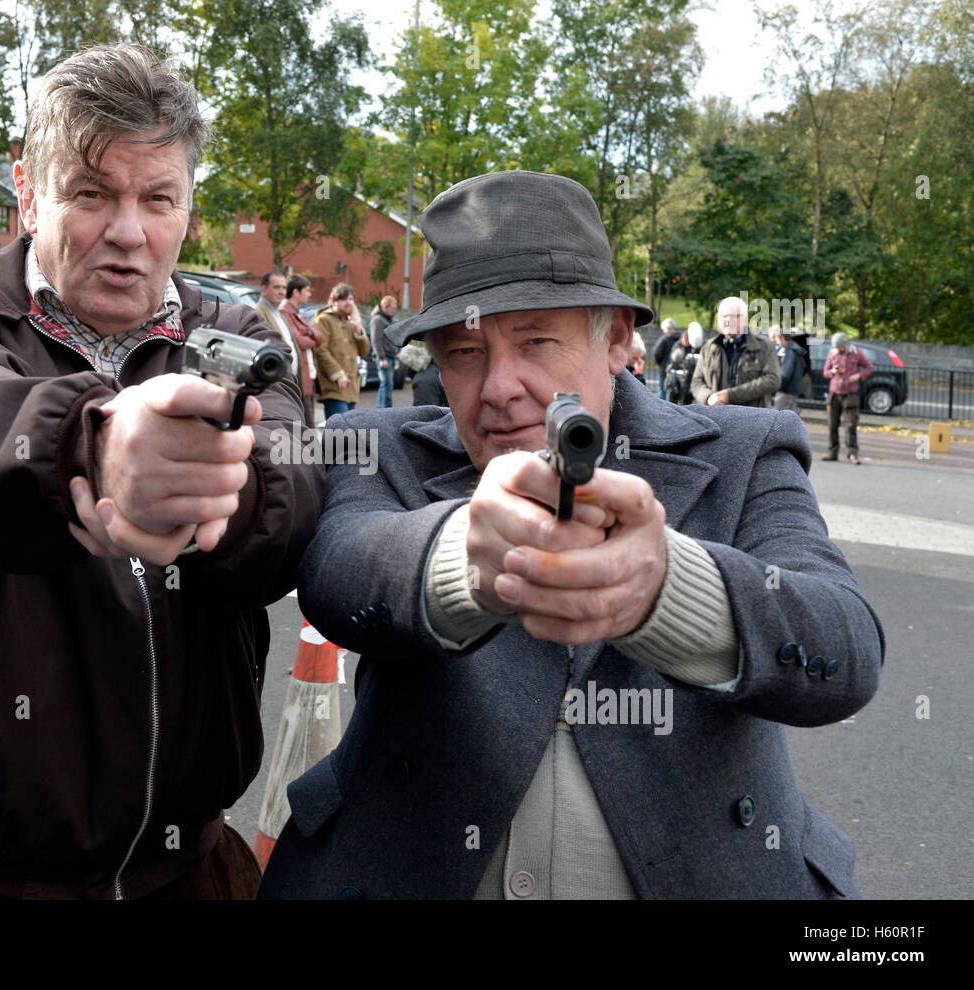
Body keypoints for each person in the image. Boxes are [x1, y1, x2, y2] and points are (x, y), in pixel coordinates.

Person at [258, 170, 883, 900]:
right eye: (465, 352)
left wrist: (667, 587)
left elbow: (842, 649)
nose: (497, 386)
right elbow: (340, 578)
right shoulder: (378, 443)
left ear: (617, 339)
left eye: (537, 341)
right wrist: (464, 561)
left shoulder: (745, 449)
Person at [0, 43, 323, 900]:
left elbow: (293, 491)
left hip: (188, 872)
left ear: (187, 208)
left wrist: (213, 493)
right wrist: (95, 449)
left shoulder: (244, 336)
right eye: (92, 193)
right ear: (27, 190)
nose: (128, 232)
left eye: (158, 198)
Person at [690, 296, 780, 407]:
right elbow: (696, 382)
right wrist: (709, 397)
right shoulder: (708, 347)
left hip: (752, 419)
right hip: (715, 418)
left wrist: (731, 396)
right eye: (723, 316)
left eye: (734, 316)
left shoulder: (764, 346)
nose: (728, 321)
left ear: (745, 319)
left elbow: (772, 380)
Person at [312, 283, 370, 419]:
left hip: (352, 389)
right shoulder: (323, 320)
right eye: (344, 299)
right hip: (333, 387)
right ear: (333, 302)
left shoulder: (352, 322)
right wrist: (338, 374)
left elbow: (364, 352)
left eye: (351, 299)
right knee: (339, 433)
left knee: (346, 434)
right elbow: (320, 350)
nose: (348, 303)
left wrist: (358, 330)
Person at [823, 331, 874, 464]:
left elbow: (869, 367)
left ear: (845, 345)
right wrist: (833, 372)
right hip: (834, 394)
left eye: (840, 347)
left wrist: (859, 376)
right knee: (832, 425)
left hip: (851, 395)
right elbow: (825, 372)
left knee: (851, 426)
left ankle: (852, 454)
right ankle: (832, 452)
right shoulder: (832, 353)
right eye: (836, 347)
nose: (838, 349)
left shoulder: (856, 353)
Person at [279, 274, 321, 427]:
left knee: (308, 424)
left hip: (309, 375)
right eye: (307, 291)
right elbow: (299, 342)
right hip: (300, 378)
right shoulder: (284, 312)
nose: (310, 294)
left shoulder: (299, 313)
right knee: (303, 427)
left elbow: (320, 337)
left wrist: (309, 333)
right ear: (296, 292)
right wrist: (310, 335)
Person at [255, 270, 304, 388]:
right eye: (276, 287)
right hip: (274, 385)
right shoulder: (258, 314)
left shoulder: (279, 315)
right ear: (264, 289)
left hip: (288, 382)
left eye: (284, 288)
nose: (281, 292)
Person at [770, 326, 810, 413]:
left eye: (776, 338)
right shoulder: (795, 350)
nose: (776, 342)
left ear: (782, 338)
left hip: (786, 392)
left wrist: (776, 386)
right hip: (791, 391)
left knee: (780, 418)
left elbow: (785, 374)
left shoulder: (789, 351)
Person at [663, 321, 703, 405]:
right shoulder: (677, 345)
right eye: (683, 340)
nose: (685, 343)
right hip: (675, 377)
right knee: (671, 400)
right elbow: (673, 359)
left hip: (687, 379)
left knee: (685, 401)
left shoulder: (694, 347)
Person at [370, 295, 399, 408]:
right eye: (393, 307)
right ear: (385, 306)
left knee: (388, 385)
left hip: (391, 357)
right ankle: (382, 410)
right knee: (385, 384)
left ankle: (385, 409)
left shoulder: (387, 320)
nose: (394, 310)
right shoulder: (378, 320)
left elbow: (392, 341)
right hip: (384, 358)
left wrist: (396, 358)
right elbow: (376, 340)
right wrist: (381, 358)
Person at [651, 317, 679, 400]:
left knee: (662, 391)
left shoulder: (664, 339)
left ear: (668, 329)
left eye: (663, 329)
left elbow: (656, 353)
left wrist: (660, 364)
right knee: (676, 393)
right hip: (678, 370)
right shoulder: (681, 339)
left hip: (664, 369)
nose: (663, 331)